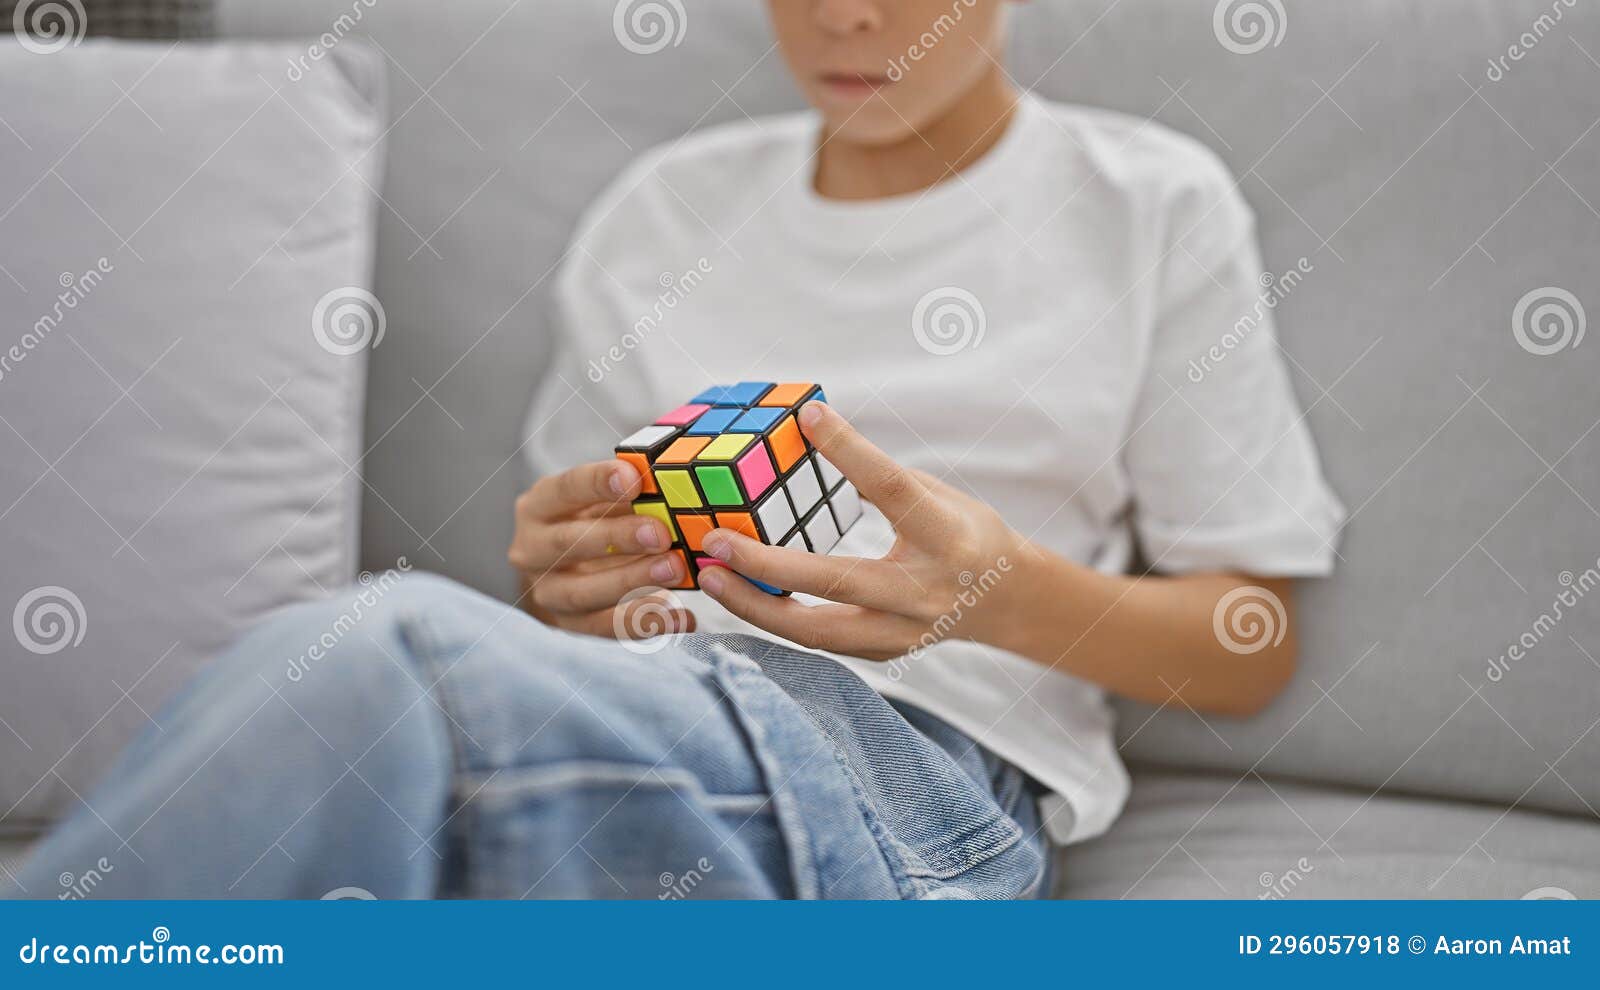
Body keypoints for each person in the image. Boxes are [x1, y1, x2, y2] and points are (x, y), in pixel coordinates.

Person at [14, 0, 1342, 899]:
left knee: (383, 657)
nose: (845, 17)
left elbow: (1248, 640)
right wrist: (568, 587)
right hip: (663, 720)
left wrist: (995, 594)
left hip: (926, 781)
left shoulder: (1146, 204)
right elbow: (587, 617)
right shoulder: (662, 214)